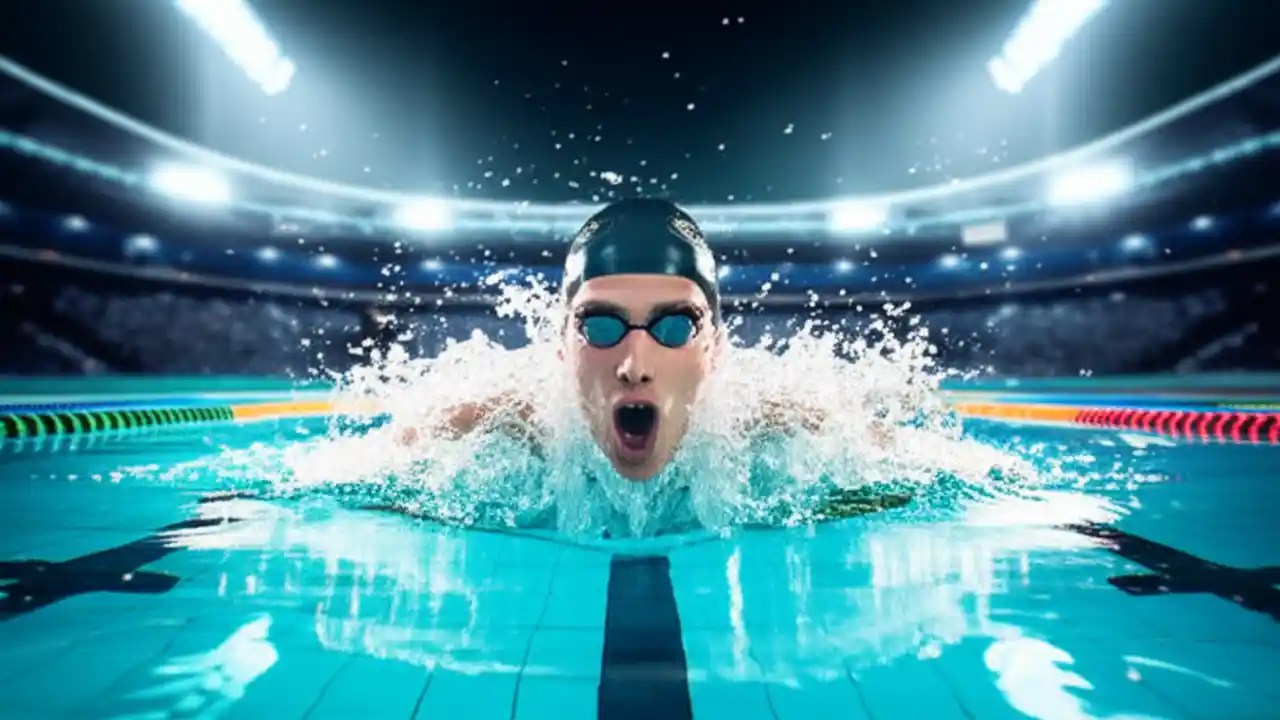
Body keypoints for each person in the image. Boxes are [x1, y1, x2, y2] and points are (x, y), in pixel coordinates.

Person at [396, 197, 819, 482]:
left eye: (675, 327)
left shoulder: (771, 427)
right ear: (562, 350)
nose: (634, 367)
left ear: (715, 351)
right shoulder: (510, 423)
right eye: (600, 326)